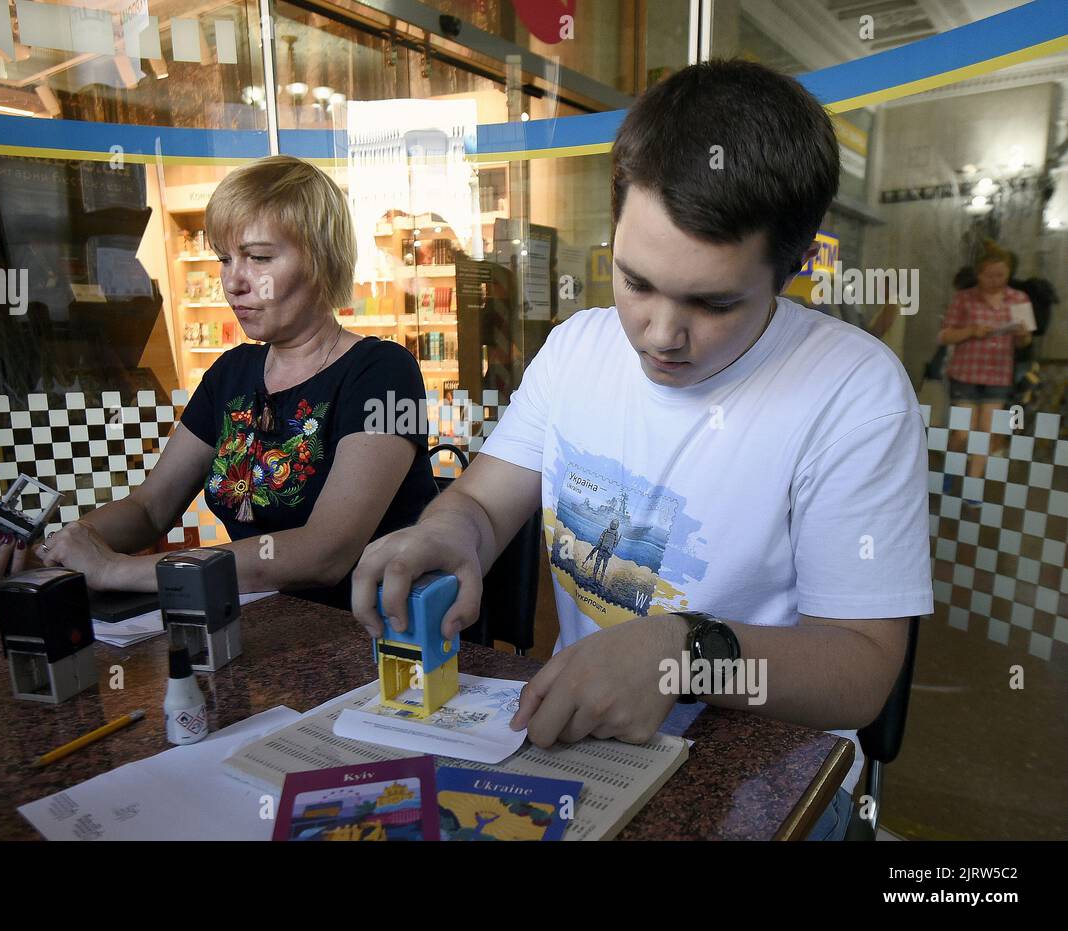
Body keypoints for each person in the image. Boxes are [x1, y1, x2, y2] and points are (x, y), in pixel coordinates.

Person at [351, 60, 933, 840]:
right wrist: (447, 532)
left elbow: (861, 671)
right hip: (584, 748)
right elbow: (485, 502)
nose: (660, 333)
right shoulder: (575, 350)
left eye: (714, 301)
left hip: (770, 775)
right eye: (636, 281)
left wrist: (683, 656)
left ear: (792, 269)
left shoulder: (852, 390)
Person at [0, 155, 437, 609]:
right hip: (261, 625)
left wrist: (121, 570)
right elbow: (149, 509)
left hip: (377, 643)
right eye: (226, 259)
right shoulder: (232, 374)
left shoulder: (384, 372)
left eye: (259, 258)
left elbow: (324, 552)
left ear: (321, 259)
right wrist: (48, 551)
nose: (233, 282)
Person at [937, 241, 1033, 499]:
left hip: (999, 375)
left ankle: (972, 486)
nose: (995, 280)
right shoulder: (964, 298)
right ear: (979, 274)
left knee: (987, 432)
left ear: (1008, 273)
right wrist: (971, 331)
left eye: (1001, 275)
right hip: (965, 373)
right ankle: (950, 472)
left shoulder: (1019, 299)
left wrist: (1023, 335)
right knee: (961, 432)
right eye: (989, 275)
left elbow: (1025, 342)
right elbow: (944, 335)